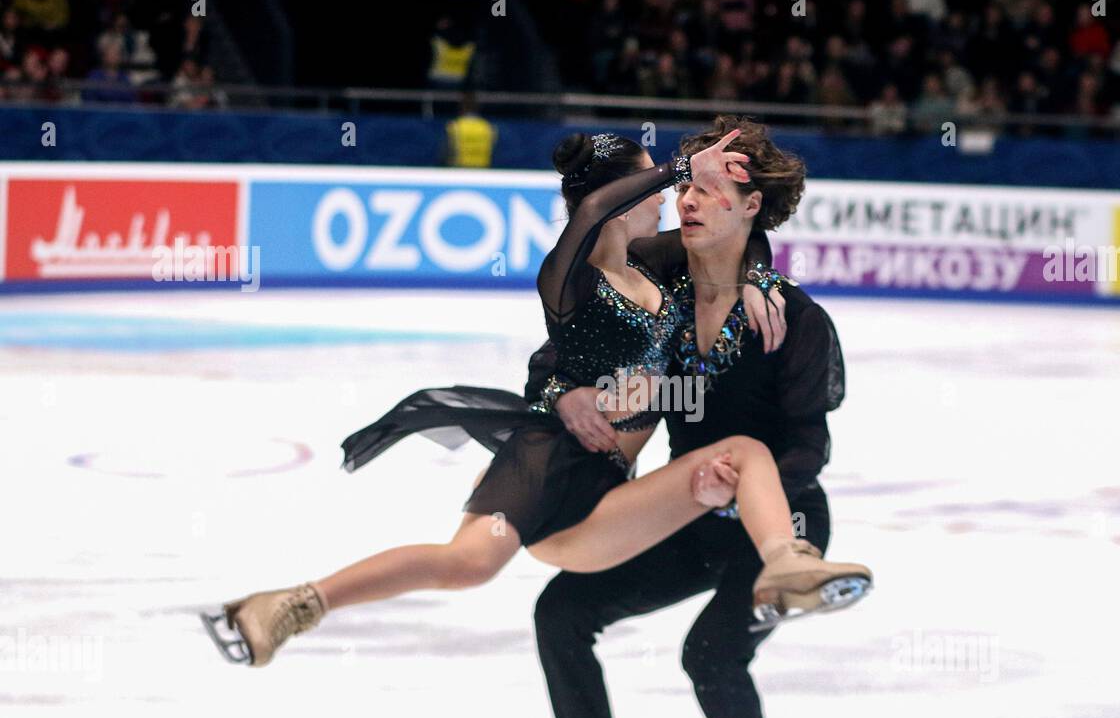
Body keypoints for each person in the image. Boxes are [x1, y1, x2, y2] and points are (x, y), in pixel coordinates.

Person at [202, 128, 871, 667]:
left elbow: (730, 245)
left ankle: (783, 568)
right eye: (664, 188)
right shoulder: (571, 277)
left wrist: (758, 276)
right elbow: (588, 217)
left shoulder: (658, 268)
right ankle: (289, 607)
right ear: (621, 195)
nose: (674, 200)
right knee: (467, 563)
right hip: (545, 461)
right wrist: (681, 166)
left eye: (690, 190)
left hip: (603, 499)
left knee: (736, 461)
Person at [525, 115, 851, 718]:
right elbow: (566, 340)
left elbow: (807, 447)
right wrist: (565, 393)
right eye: (684, 189)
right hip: (694, 505)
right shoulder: (656, 283)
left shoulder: (796, 320)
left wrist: (759, 274)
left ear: (750, 204)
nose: (687, 202)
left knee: (710, 653)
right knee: (561, 612)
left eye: (707, 190)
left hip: (786, 515)